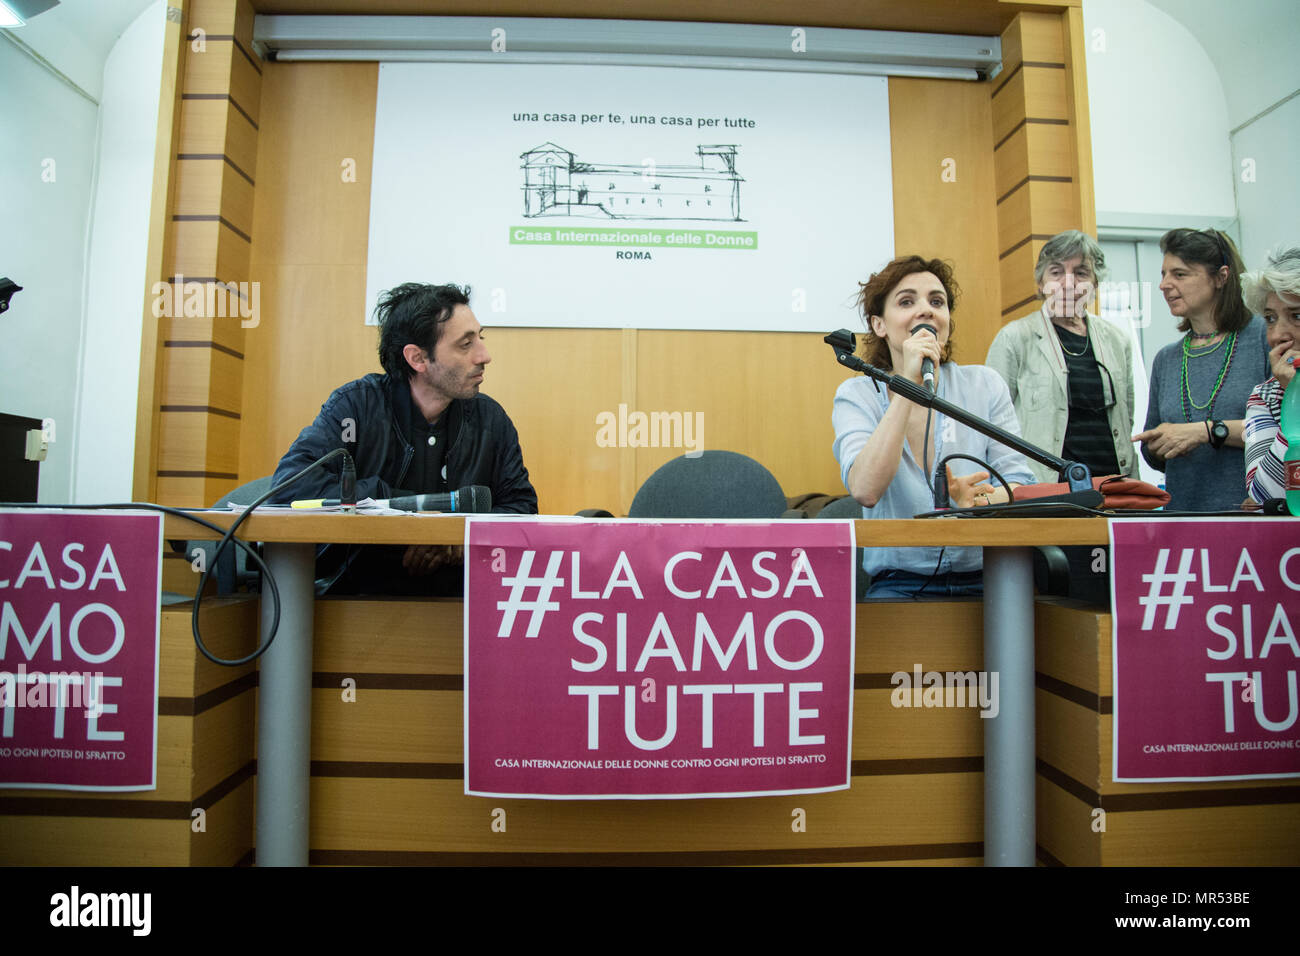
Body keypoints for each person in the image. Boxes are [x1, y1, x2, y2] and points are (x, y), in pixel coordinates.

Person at [272, 282, 538, 593]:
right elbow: (289, 490)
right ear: (418, 359)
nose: (484, 355)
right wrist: (403, 513)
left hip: (456, 600)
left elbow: (523, 511)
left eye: (480, 338)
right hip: (356, 595)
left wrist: (455, 536)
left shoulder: (491, 420)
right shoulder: (355, 407)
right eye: (465, 345)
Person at [832, 255, 1034, 598]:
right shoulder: (858, 394)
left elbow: (1021, 485)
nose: (926, 310)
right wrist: (908, 382)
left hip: (989, 577)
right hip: (900, 582)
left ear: (948, 322)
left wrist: (978, 501)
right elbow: (865, 488)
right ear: (879, 325)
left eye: (936, 302)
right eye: (907, 301)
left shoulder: (985, 385)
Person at [1134, 229, 1270, 511]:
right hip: (1183, 527)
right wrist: (1158, 445)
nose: (1164, 285)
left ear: (1221, 277)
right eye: (1163, 274)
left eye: (1180, 274)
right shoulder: (1166, 358)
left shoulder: (1263, 337)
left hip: (1254, 523)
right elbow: (1154, 455)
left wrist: (1206, 432)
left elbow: (1282, 432)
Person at [986, 230, 1137, 484]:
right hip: (1046, 489)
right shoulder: (1014, 338)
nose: (1069, 283)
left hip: (1115, 487)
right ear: (1041, 284)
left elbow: (1126, 417)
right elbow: (990, 424)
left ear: (1096, 284)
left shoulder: (1117, 341)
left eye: (1081, 273)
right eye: (1056, 272)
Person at [1242, 246, 1300, 504]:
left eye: (1297, 315)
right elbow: (1264, 495)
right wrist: (1294, 398)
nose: (1277, 335)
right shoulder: (1267, 395)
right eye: (1270, 318)